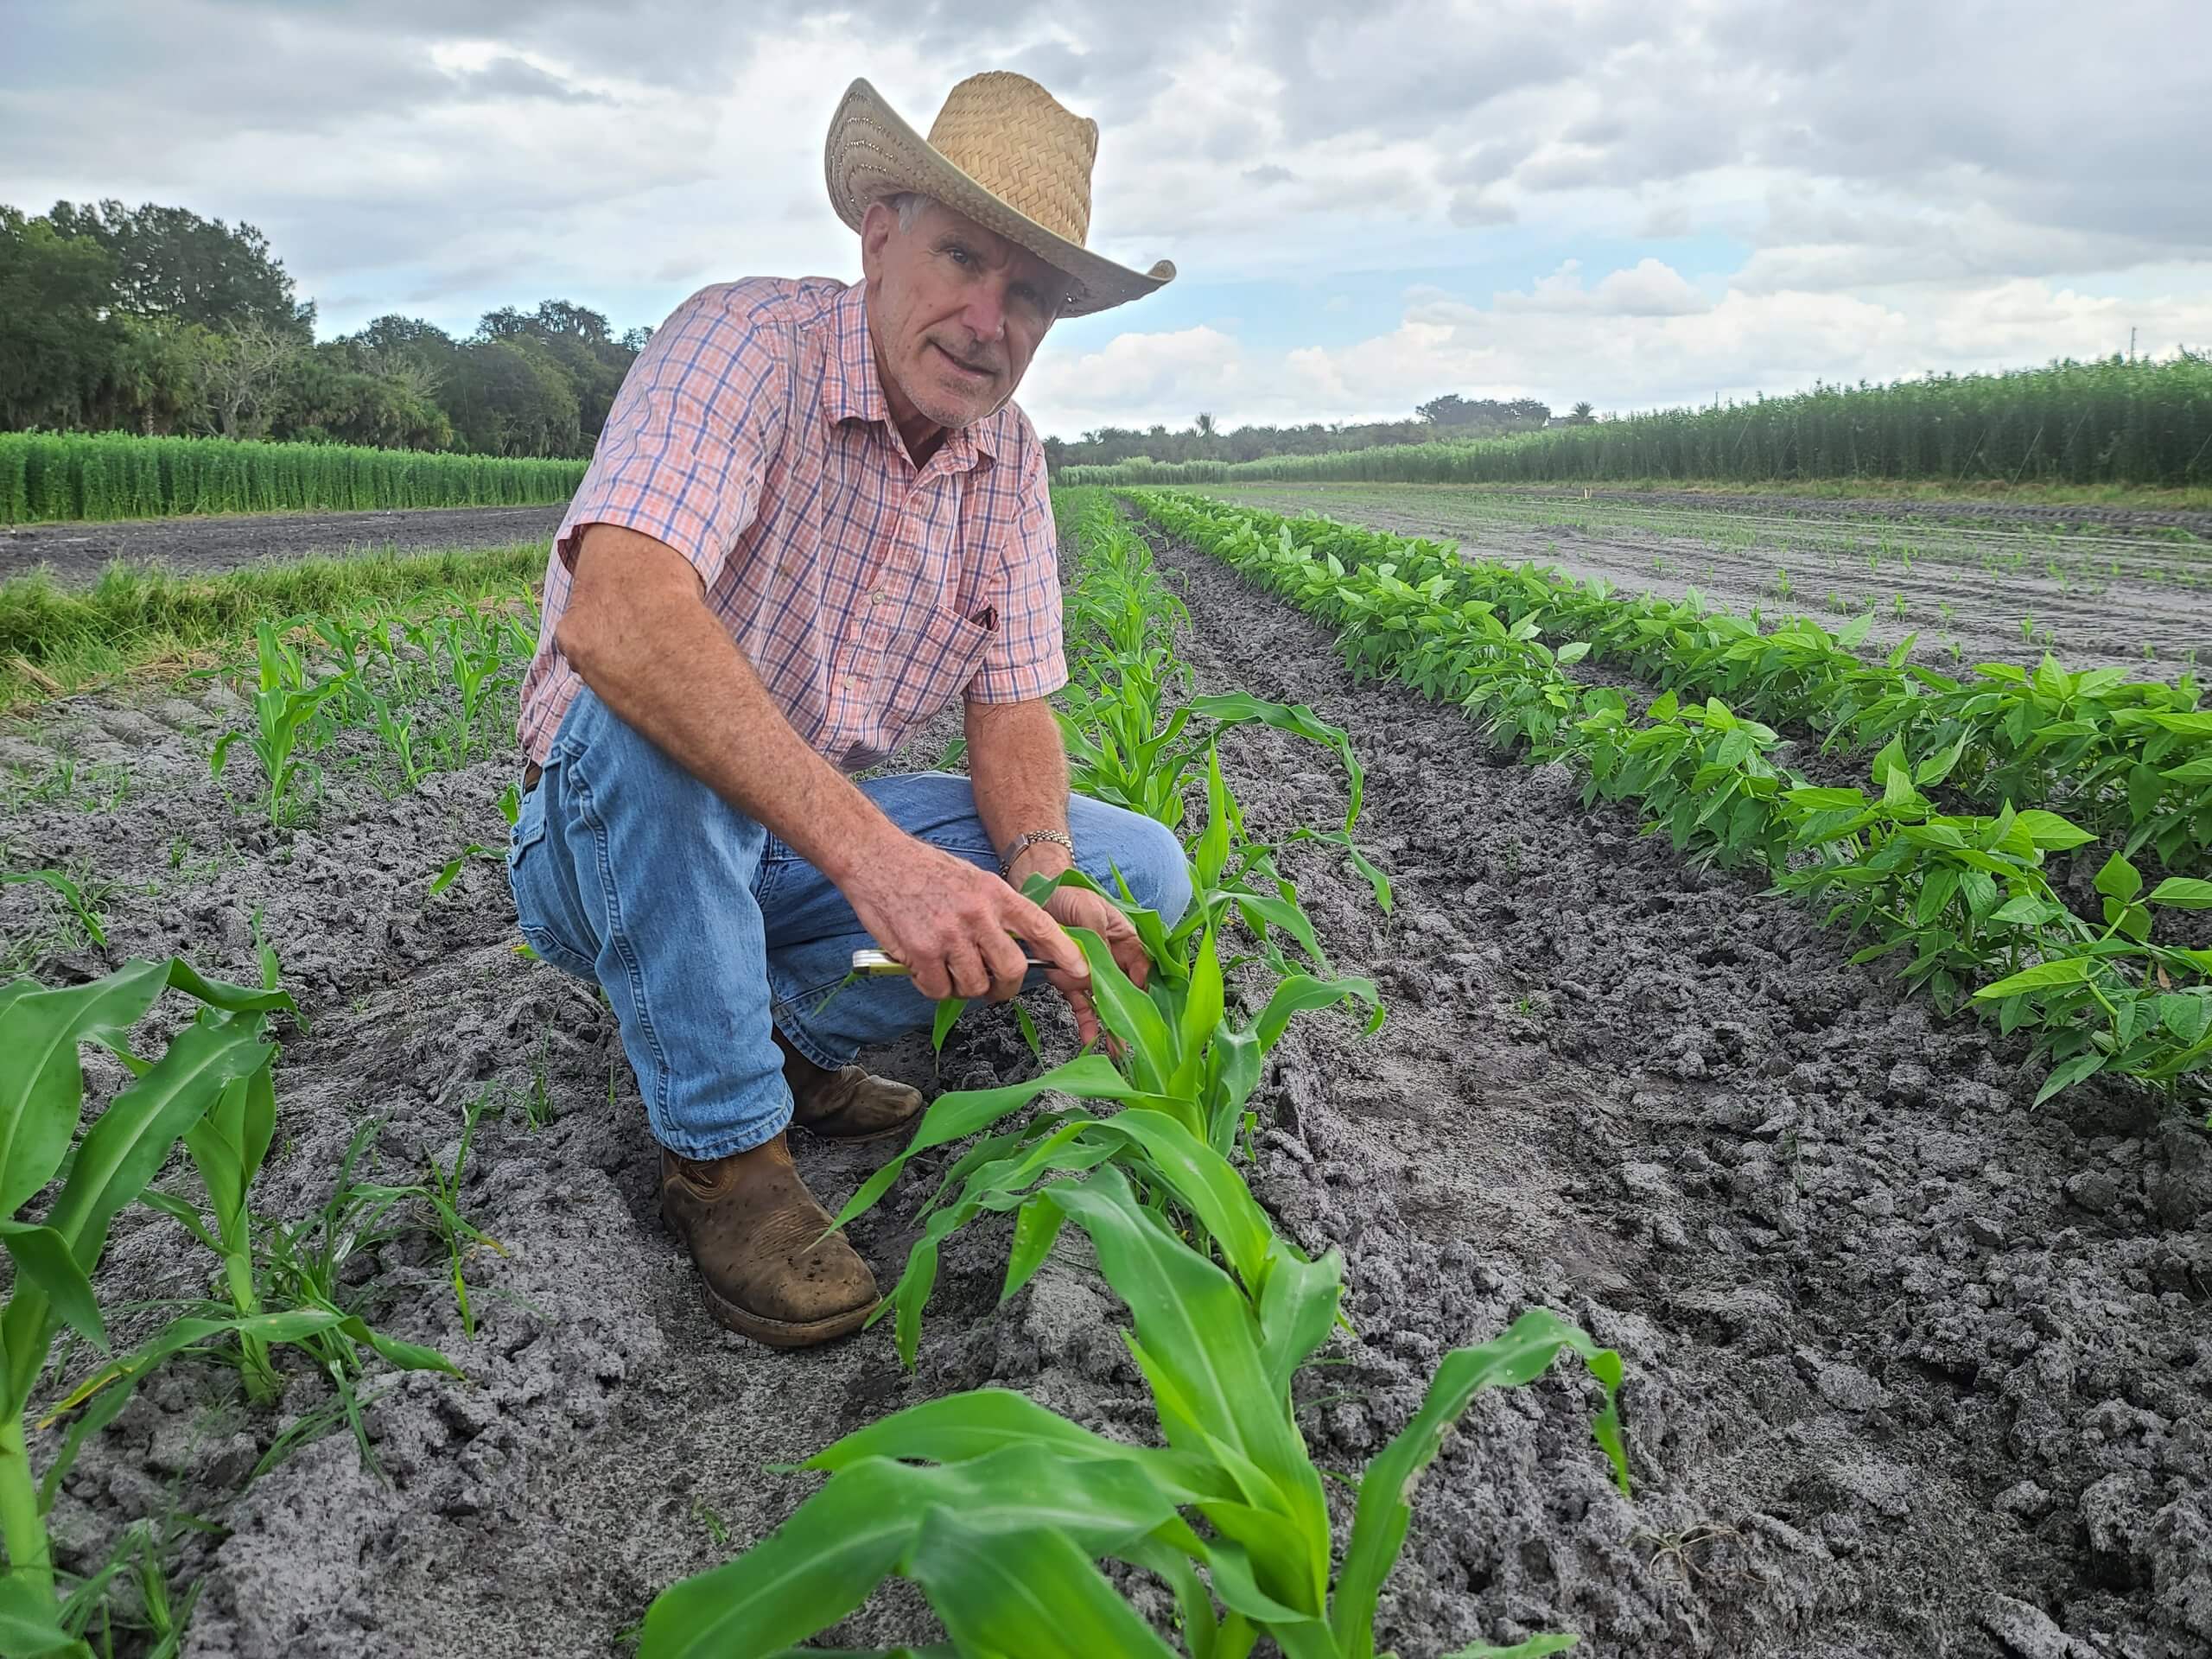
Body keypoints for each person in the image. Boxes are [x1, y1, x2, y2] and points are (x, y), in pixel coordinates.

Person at [505, 72, 1190, 1349]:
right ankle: (728, 1155)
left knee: (1135, 867)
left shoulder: (1011, 461)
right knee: (658, 716)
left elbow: (1015, 710)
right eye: (961, 257)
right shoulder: (746, 343)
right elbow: (621, 618)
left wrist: (1041, 870)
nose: (988, 318)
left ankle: (777, 1032)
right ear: (879, 236)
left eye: (1029, 291)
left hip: (788, 841)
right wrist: (882, 861)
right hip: (603, 834)